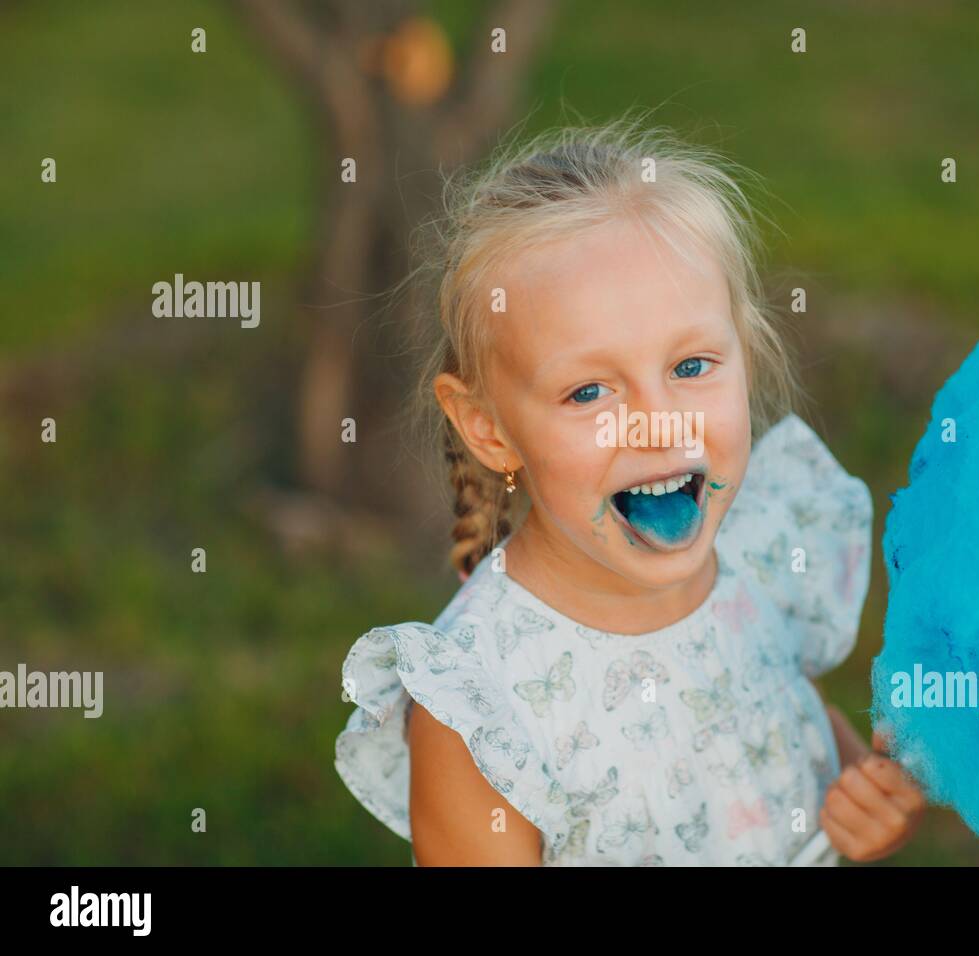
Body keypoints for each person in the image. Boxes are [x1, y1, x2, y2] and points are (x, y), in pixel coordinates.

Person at [335, 114, 925, 865]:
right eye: (589, 392)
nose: (657, 426)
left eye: (690, 367)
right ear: (488, 428)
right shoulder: (483, 713)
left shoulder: (763, 559)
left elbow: (813, 769)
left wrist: (870, 814)